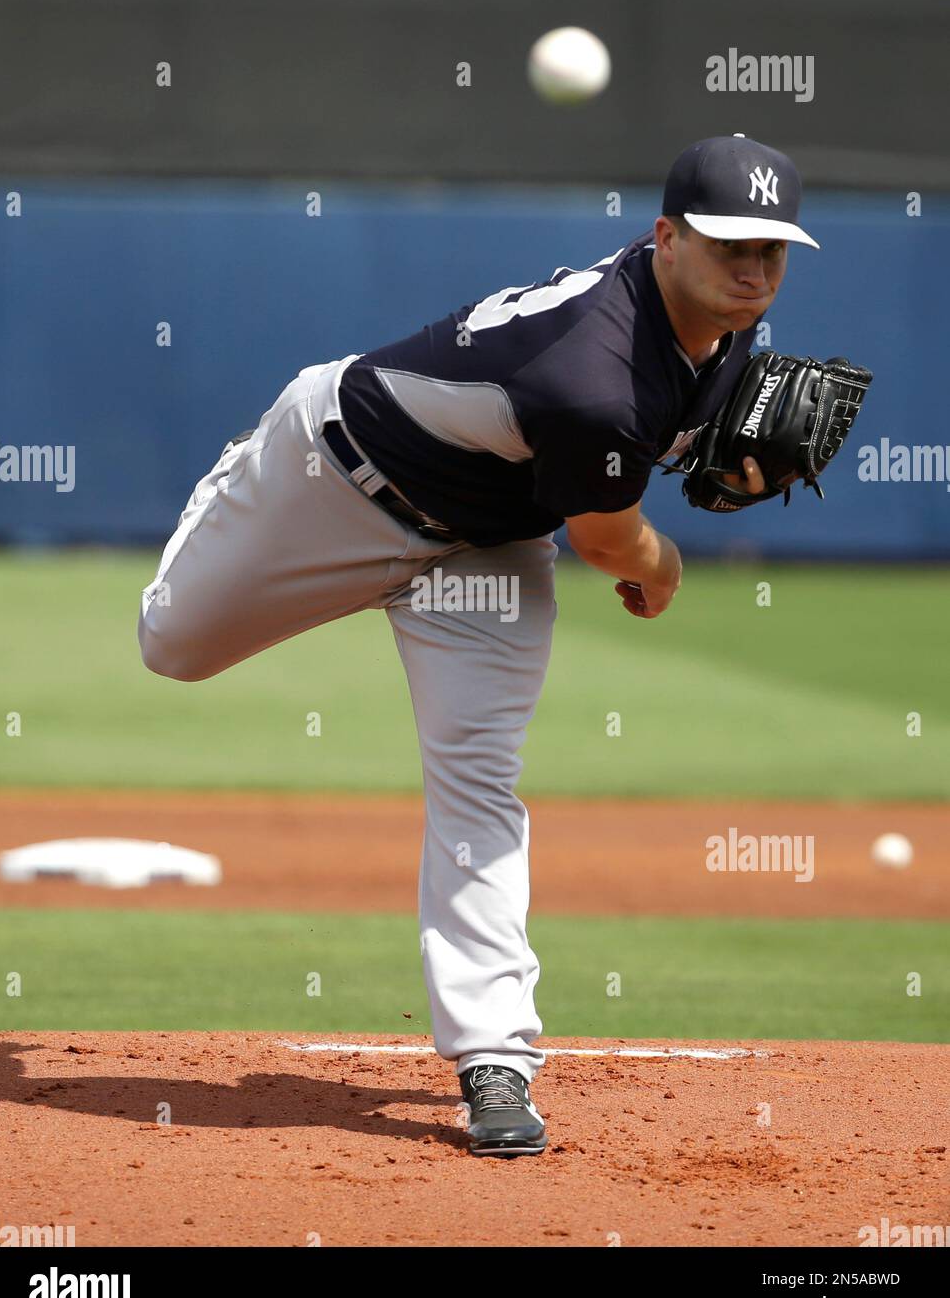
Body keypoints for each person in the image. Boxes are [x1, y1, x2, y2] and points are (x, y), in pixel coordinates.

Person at [138, 134, 819, 1157]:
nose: (751, 270)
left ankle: (492, 1054)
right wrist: (667, 564)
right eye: (728, 245)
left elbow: (640, 463)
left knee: (478, 780)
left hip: (484, 551)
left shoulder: (725, 341)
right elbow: (608, 543)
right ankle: (243, 466)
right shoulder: (591, 370)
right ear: (664, 237)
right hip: (334, 480)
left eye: (770, 250)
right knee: (170, 645)